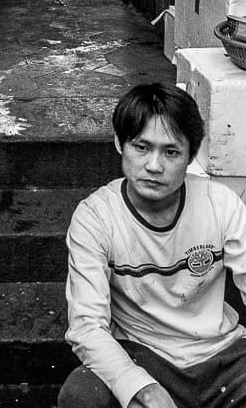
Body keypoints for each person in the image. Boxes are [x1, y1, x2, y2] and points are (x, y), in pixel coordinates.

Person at [58, 82, 246, 408]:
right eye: (141, 147)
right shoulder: (96, 218)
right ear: (120, 143)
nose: (154, 166)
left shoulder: (221, 204)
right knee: (82, 394)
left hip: (221, 356)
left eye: (171, 152)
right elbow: (88, 327)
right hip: (145, 355)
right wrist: (140, 388)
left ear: (190, 155)